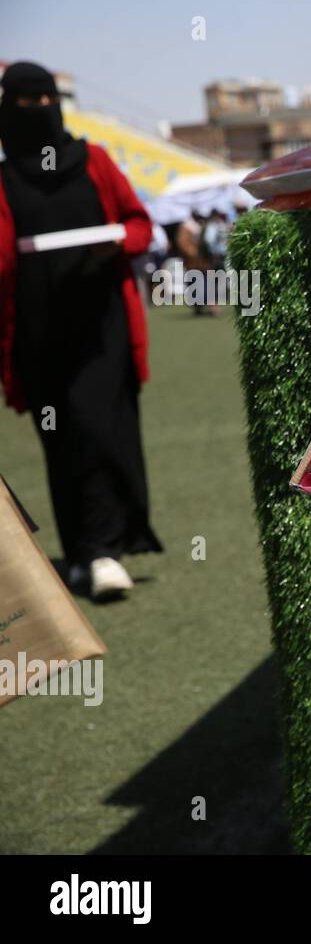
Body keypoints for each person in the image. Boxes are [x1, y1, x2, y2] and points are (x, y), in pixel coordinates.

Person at [0, 62, 163, 599]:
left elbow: (141, 224)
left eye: (47, 97)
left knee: (97, 431)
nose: (40, 109)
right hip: (38, 338)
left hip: (101, 331)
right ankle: (78, 552)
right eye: (26, 101)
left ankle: (105, 551)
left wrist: (117, 241)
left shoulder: (94, 160)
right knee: (60, 443)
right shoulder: (4, 178)